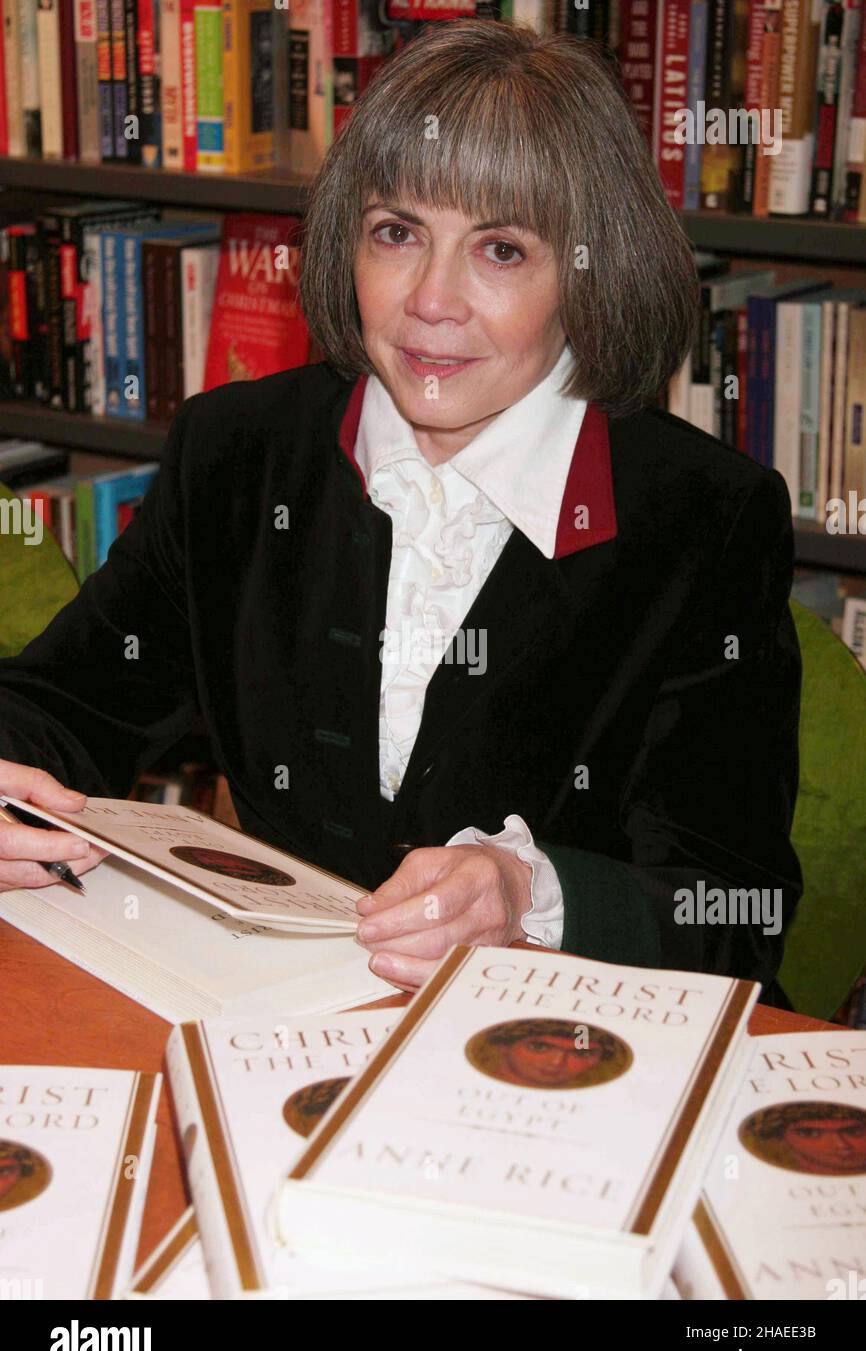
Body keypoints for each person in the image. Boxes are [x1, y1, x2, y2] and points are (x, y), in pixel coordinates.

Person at [0, 20, 801, 1003]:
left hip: (533, 1055)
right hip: (257, 1018)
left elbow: (730, 911)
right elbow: (66, 704)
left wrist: (529, 892)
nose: (430, 300)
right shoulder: (238, 452)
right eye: (396, 233)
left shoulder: (703, 520)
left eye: (500, 250)